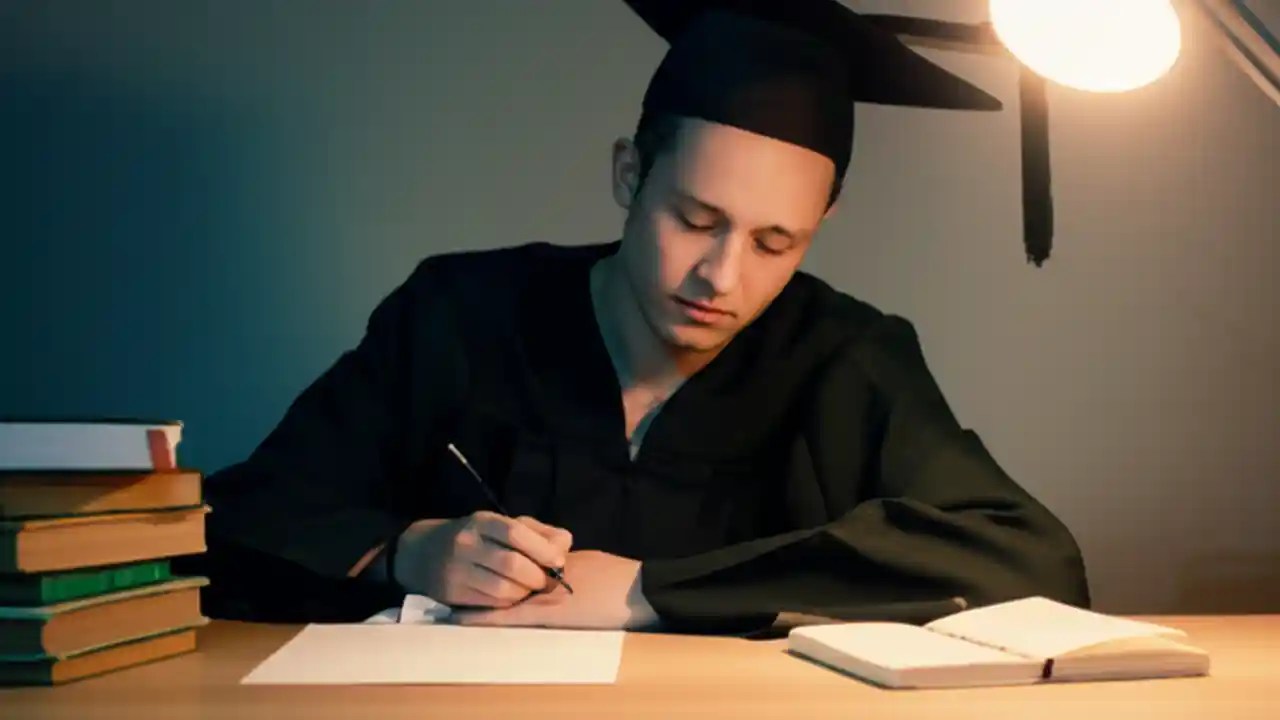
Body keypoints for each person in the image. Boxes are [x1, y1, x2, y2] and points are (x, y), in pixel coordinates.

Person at [183, 0, 1090, 634]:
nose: (721, 277)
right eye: (695, 220)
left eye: (776, 242)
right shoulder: (460, 315)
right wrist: (403, 552)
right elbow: (234, 522)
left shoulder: (847, 357)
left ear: (823, 226)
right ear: (629, 175)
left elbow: (1031, 563)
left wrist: (655, 591)